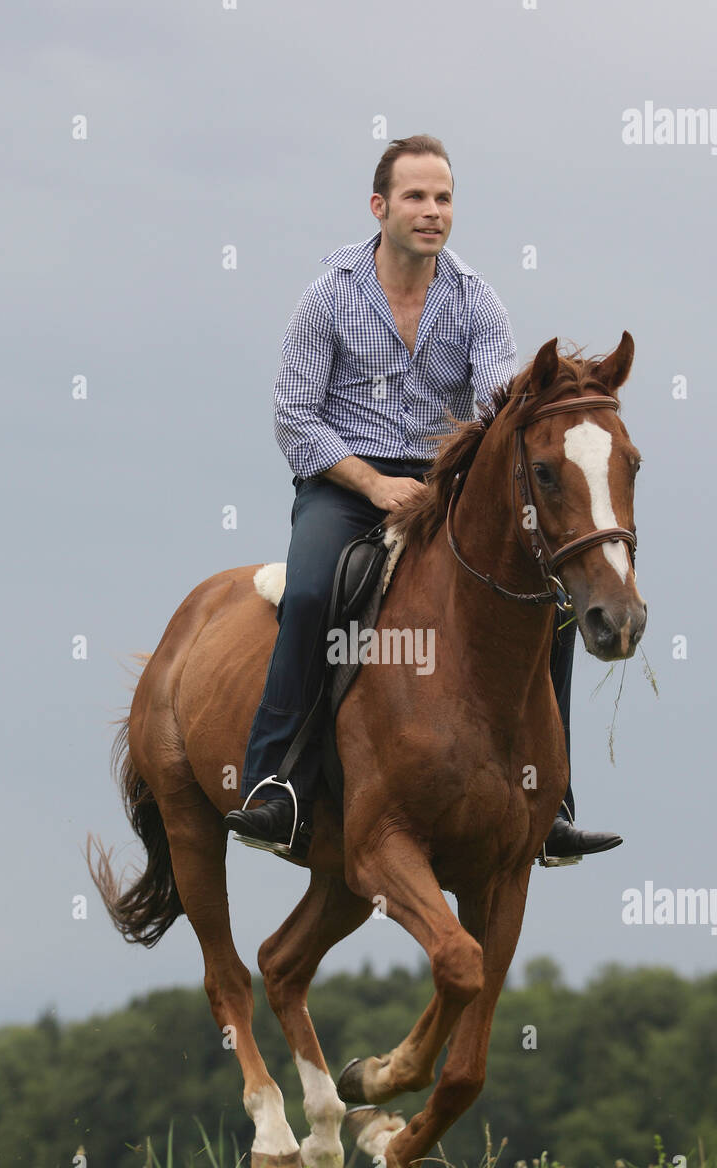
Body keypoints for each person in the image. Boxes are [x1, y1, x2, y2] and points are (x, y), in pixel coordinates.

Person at [225, 134, 621, 865]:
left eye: (443, 198)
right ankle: (273, 783)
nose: (432, 211)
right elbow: (294, 416)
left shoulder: (477, 301)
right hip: (345, 482)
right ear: (380, 208)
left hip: (442, 483)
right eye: (415, 197)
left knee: (554, 602)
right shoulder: (330, 296)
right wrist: (372, 483)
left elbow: (493, 400)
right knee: (312, 591)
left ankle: (553, 803)